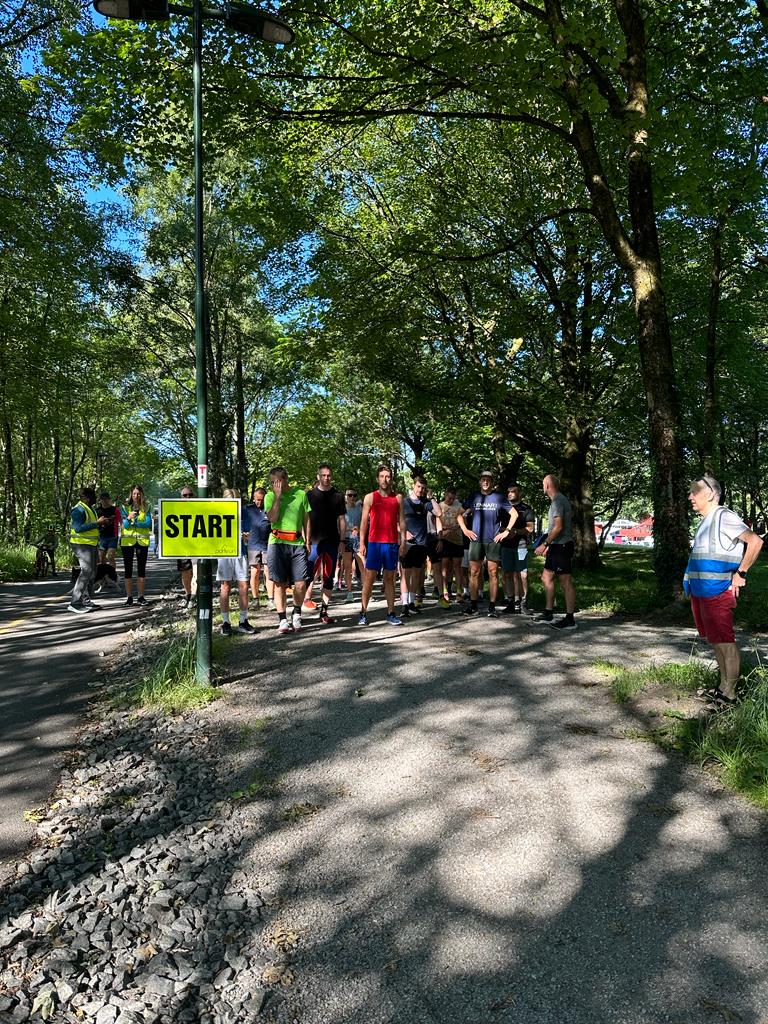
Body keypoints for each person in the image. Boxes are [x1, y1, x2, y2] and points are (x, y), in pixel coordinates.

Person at [684, 475, 763, 709]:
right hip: (702, 592)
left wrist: (742, 573)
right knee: (716, 642)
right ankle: (722, 688)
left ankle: (729, 695)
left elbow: (755, 542)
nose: (690, 496)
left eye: (694, 491)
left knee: (725, 642)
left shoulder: (723, 516)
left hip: (717, 591)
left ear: (710, 493)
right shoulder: (707, 520)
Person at [458, 470, 514, 617]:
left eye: (488, 479)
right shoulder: (474, 496)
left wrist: (506, 531)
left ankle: (492, 607)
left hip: (493, 540)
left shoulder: (499, 497)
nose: (485, 482)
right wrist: (465, 530)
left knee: (493, 573)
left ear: (492, 482)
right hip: (476, 540)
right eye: (483, 479)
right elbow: (459, 514)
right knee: (474, 573)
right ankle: (473, 605)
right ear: (480, 481)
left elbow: (514, 514)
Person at [358, 465, 407, 626]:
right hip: (374, 544)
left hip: (392, 543)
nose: (385, 479)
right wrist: (362, 544)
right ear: (378, 478)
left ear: (391, 478)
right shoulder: (370, 497)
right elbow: (364, 522)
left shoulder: (398, 498)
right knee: (370, 578)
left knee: (390, 579)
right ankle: (363, 612)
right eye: (382, 476)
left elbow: (401, 521)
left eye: (387, 476)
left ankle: (391, 613)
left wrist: (403, 541)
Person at [265, 466, 311, 634]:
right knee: (280, 584)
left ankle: (297, 612)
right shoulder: (270, 496)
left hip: (297, 543)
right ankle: (282, 619)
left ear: (285, 479)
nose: (273, 485)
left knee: (300, 583)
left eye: (276, 481)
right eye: (271, 482)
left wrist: (308, 540)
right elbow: (272, 519)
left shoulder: (300, 494)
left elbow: (306, 518)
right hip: (277, 543)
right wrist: (277, 498)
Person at [305, 463, 346, 625]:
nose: (326, 478)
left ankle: (324, 611)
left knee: (328, 578)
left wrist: (342, 541)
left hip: (332, 542)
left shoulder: (337, 495)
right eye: (323, 475)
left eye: (329, 475)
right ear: (318, 476)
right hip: (313, 543)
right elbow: (305, 519)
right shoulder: (309, 495)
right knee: (307, 577)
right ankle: (296, 613)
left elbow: (342, 520)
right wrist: (305, 540)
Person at [533, 474, 576, 629]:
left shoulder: (558, 500)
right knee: (546, 577)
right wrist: (550, 546)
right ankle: (548, 613)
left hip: (562, 546)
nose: (542, 487)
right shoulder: (557, 501)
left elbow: (558, 526)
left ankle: (570, 619)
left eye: (542, 484)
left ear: (547, 486)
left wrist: (545, 544)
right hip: (557, 545)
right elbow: (556, 528)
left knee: (565, 582)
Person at [400, 476, 442, 618]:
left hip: (422, 542)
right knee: (406, 574)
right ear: (414, 486)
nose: (420, 490)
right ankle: (404, 605)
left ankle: (411, 603)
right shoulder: (404, 502)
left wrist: (431, 498)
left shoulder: (426, 502)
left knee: (417, 574)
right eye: (418, 487)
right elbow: (396, 520)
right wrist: (403, 533)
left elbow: (439, 512)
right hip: (407, 544)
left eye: (423, 488)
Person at [216, 487, 254, 635]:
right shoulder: (218, 511)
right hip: (224, 552)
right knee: (225, 586)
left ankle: (243, 621)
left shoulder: (243, 511)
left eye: (234, 501)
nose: (232, 503)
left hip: (240, 552)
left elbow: (247, 533)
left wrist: (245, 536)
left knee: (243, 586)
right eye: (229, 501)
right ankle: (225, 622)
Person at [68, 487, 109, 614]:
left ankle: (86, 600)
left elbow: (91, 525)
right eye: (93, 497)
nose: (95, 499)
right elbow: (78, 528)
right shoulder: (78, 510)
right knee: (86, 571)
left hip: (91, 544)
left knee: (92, 572)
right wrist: (97, 523)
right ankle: (75, 602)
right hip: (81, 544)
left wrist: (102, 523)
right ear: (86, 497)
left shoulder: (90, 509)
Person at [500, 484, 535, 614]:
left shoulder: (526, 509)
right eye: (508, 491)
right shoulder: (503, 508)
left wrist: (515, 532)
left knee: (523, 575)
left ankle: (523, 603)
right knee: (507, 573)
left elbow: (530, 528)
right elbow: (498, 526)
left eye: (513, 491)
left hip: (521, 545)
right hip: (506, 545)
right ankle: (510, 602)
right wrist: (504, 531)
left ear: (519, 493)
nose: (510, 493)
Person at [120, 485, 152, 607]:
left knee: (141, 569)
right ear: (131, 494)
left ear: (141, 494)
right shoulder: (124, 507)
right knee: (128, 570)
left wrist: (135, 522)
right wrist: (129, 518)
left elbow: (148, 523)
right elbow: (126, 526)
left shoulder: (147, 507)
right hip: (127, 542)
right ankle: (129, 597)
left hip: (142, 542)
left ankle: (141, 596)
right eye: (134, 493)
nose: (136, 496)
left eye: (138, 493)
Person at [243, 486, 271, 608]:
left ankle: (271, 599)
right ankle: (255, 599)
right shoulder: (248, 509)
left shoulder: (270, 509)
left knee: (268, 572)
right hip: (253, 545)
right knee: (254, 572)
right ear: (254, 499)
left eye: (262, 499)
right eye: (258, 499)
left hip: (267, 545)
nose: (260, 502)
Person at [439, 485, 465, 605]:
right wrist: (447, 530)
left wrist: (457, 526)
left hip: (457, 540)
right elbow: (437, 524)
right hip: (445, 540)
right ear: (445, 495)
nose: (450, 501)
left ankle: (459, 592)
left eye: (452, 498)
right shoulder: (440, 506)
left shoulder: (459, 506)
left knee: (457, 567)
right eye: (449, 498)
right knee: (445, 567)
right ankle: (445, 591)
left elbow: (462, 523)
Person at [94, 491, 119, 593]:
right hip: (102, 537)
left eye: (106, 499)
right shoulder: (97, 510)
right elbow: (95, 523)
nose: (104, 501)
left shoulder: (114, 509)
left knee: (110, 556)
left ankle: (113, 576)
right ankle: (104, 578)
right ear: (100, 500)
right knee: (101, 558)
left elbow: (121, 521)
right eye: (102, 499)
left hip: (113, 536)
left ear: (109, 499)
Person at [341, 488, 364, 603]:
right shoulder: (341, 509)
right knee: (348, 566)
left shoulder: (360, 509)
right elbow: (338, 526)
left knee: (362, 565)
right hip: (346, 539)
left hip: (358, 539)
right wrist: (350, 529)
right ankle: (349, 592)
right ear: (345, 496)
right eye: (349, 495)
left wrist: (359, 529)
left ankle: (366, 591)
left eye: (354, 495)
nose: (352, 498)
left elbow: (364, 524)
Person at [176, 485, 197, 608]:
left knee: (196, 573)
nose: (188, 497)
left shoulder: (200, 508)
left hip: (197, 546)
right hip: (182, 546)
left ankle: (193, 597)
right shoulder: (176, 509)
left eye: (190, 495)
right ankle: (188, 595)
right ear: (181, 497)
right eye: (185, 495)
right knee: (185, 573)